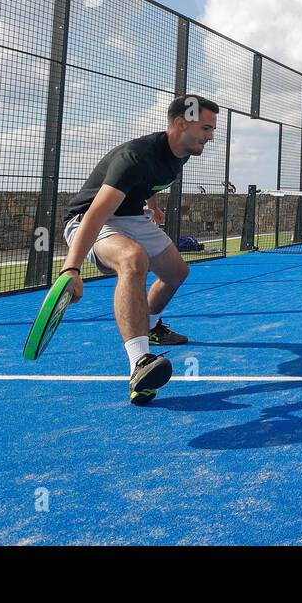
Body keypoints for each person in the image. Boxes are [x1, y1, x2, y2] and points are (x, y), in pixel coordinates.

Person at [58, 94, 217, 405]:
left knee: (176, 273)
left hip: (132, 215)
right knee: (133, 258)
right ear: (180, 123)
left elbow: (151, 183)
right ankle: (139, 363)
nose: (210, 137)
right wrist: (71, 268)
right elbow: (95, 214)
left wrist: (152, 206)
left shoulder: (182, 152)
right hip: (91, 219)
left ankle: (151, 324)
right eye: (206, 129)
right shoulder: (134, 158)